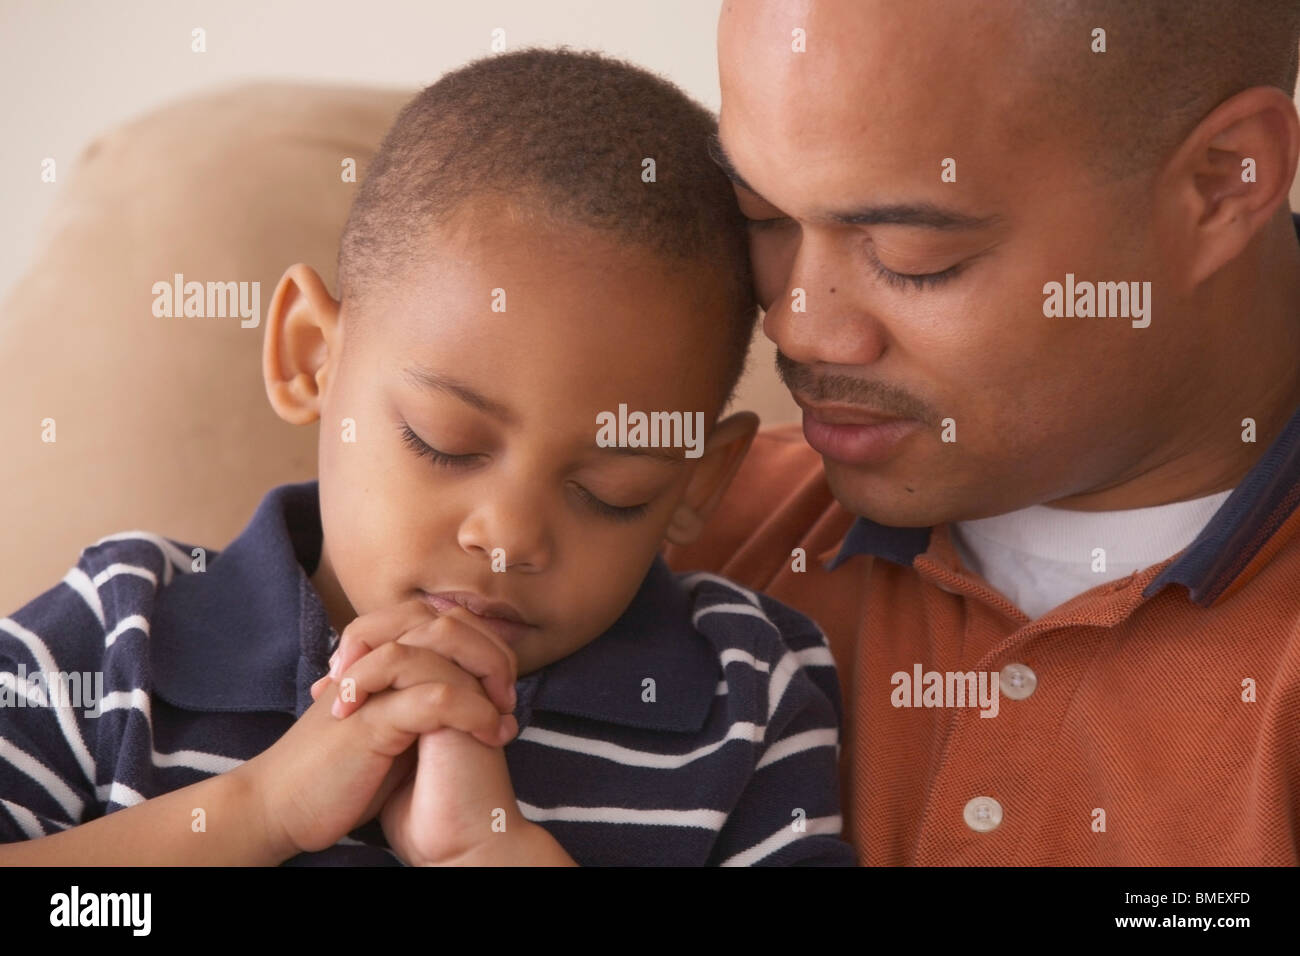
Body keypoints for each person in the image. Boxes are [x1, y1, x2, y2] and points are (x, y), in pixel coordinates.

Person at [0, 49, 855, 866]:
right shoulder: (118, 636)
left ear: (698, 481)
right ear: (311, 358)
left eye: (610, 489)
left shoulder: (744, 693)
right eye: (443, 442)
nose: (510, 536)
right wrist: (257, 812)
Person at [662, 0, 1300, 864]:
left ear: (1225, 181)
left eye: (910, 254)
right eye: (761, 217)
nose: (798, 327)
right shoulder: (646, 544)